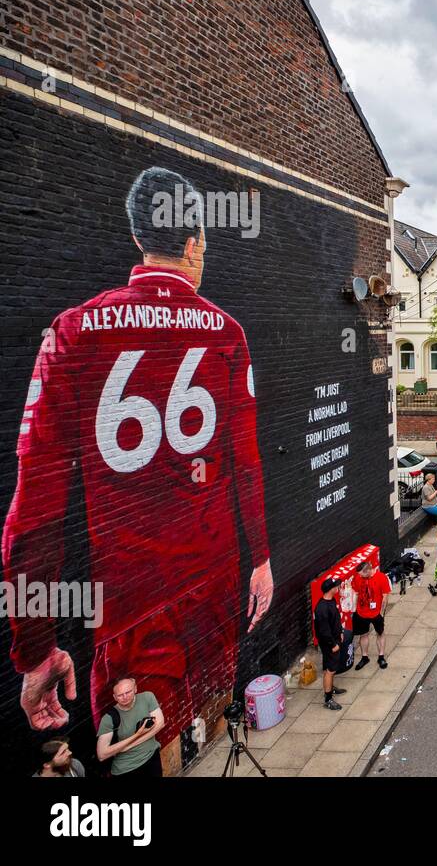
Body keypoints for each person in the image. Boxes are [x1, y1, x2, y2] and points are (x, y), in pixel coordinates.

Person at [4, 167, 274, 748]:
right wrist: (261, 561)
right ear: (196, 241)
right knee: (210, 724)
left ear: (136, 239)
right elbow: (247, 463)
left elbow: (34, 514)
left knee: (140, 757)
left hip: (131, 610)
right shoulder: (227, 333)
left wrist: (33, 648)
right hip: (216, 585)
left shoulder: (73, 333)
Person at [94, 677, 164, 777]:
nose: (125, 697)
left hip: (151, 757)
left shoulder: (147, 697)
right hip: (126, 768)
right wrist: (137, 735)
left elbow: (160, 724)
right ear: (114, 697)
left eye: (128, 692)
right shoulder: (109, 718)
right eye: (120, 695)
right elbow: (102, 754)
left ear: (135, 689)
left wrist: (129, 746)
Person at [313, 579, 347, 710]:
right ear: (330, 589)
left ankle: (331, 688)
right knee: (330, 670)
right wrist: (333, 644)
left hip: (335, 638)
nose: (337, 587)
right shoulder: (322, 609)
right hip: (329, 643)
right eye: (335, 586)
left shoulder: (331, 600)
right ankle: (328, 698)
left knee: (330, 666)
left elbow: (335, 620)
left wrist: (341, 632)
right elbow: (323, 631)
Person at [351, 560, 391, 671]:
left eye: (361, 574)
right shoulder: (358, 577)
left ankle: (381, 657)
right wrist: (354, 609)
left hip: (376, 612)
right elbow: (356, 592)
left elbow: (385, 596)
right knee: (363, 635)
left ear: (368, 570)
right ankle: (364, 657)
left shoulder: (381, 577)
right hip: (361, 612)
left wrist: (381, 613)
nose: (359, 576)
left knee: (380, 633)